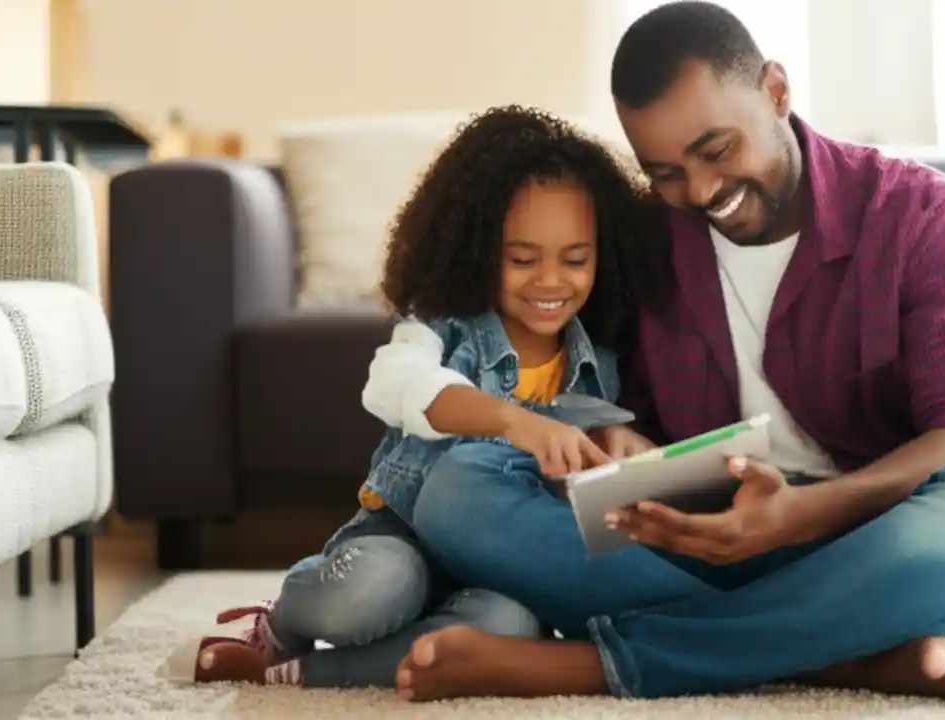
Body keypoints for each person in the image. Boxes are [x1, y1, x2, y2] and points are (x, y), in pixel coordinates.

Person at [381, 1, 945, 706]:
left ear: (776, 91)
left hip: (880, 544)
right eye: (666, 173)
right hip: (705, 548)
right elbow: (623, 403)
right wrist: (620, 437)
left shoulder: (923, 217)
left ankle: (600, 665)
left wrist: (804, 515)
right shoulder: (652, 239)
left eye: (716, 151)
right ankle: (844, 660)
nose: (703, 192)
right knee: (459, 486)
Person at [177, 104, 671, 689]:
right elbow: (393, 383)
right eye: (521, 259)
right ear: (476, 248)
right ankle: (277, 624)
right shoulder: (443, 327)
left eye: (575, 260)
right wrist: (512, 421)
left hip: (495, 570)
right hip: (400, 538)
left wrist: (617, 442)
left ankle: (294, 674)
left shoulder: (603, 363)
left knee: (509, 630)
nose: (549, 281)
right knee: (369, 592)